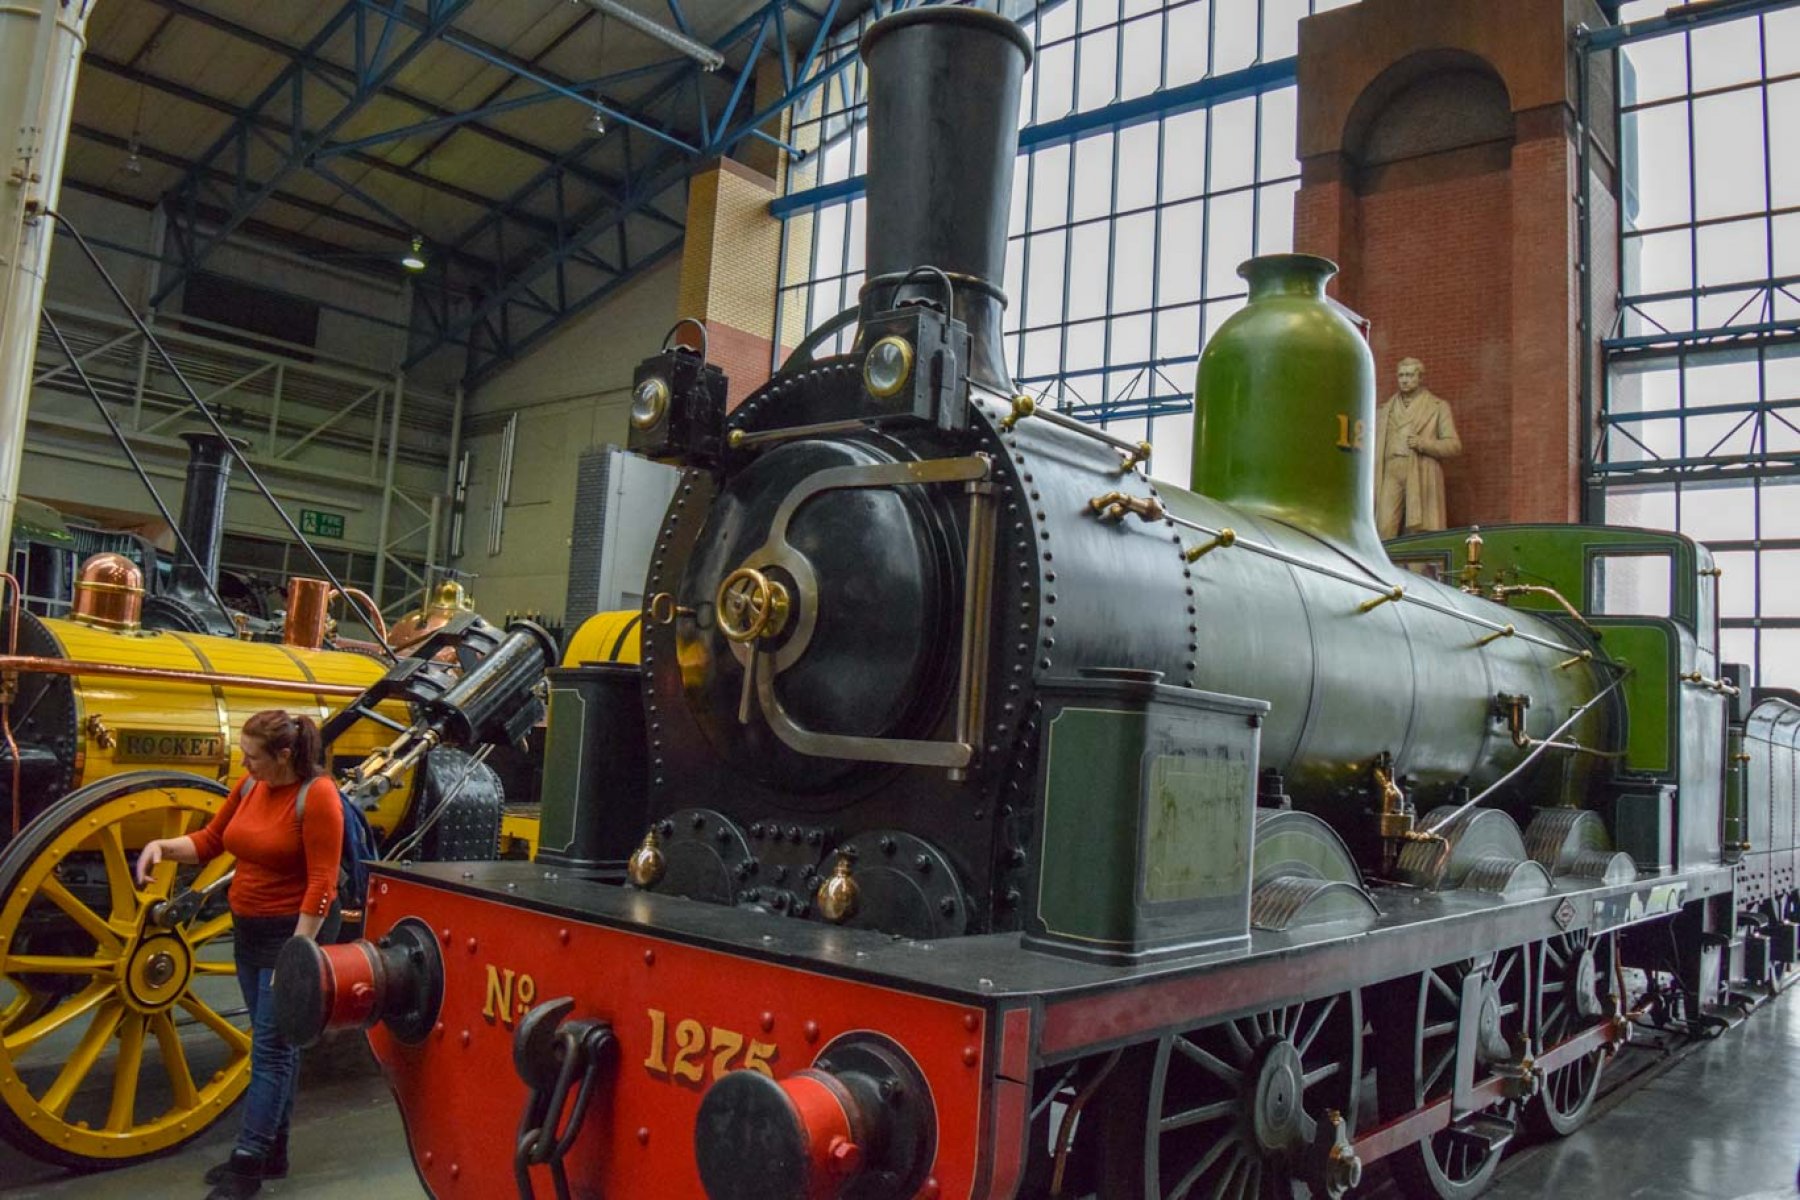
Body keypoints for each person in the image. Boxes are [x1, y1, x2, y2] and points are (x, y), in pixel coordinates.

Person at [136, 709, 343, 1200]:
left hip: (289, 936)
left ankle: (247, 1163)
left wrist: (297, 954)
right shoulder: (251, 786)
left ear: (284, 755)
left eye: (252, 756)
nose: (244, 764)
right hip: (249, 932)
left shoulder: (318, 797)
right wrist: (162, 846)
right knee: (278, 1046)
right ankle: (275, 1151)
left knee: (269, 1050)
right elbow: (211, 841)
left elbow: (323, 883)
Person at [1374, 356, 1463, 539]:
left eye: (1409, 375)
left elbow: (1454, 446)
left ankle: (1418, 559)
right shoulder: (1384, 410)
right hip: (1390, 470)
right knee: (1384, 527)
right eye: (1401, 375)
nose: (1404, 380)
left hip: (1421, 470)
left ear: (1420, 377)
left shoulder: (1437, 407)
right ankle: (1384, 558)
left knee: (1418, 529)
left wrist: (1423, 443)